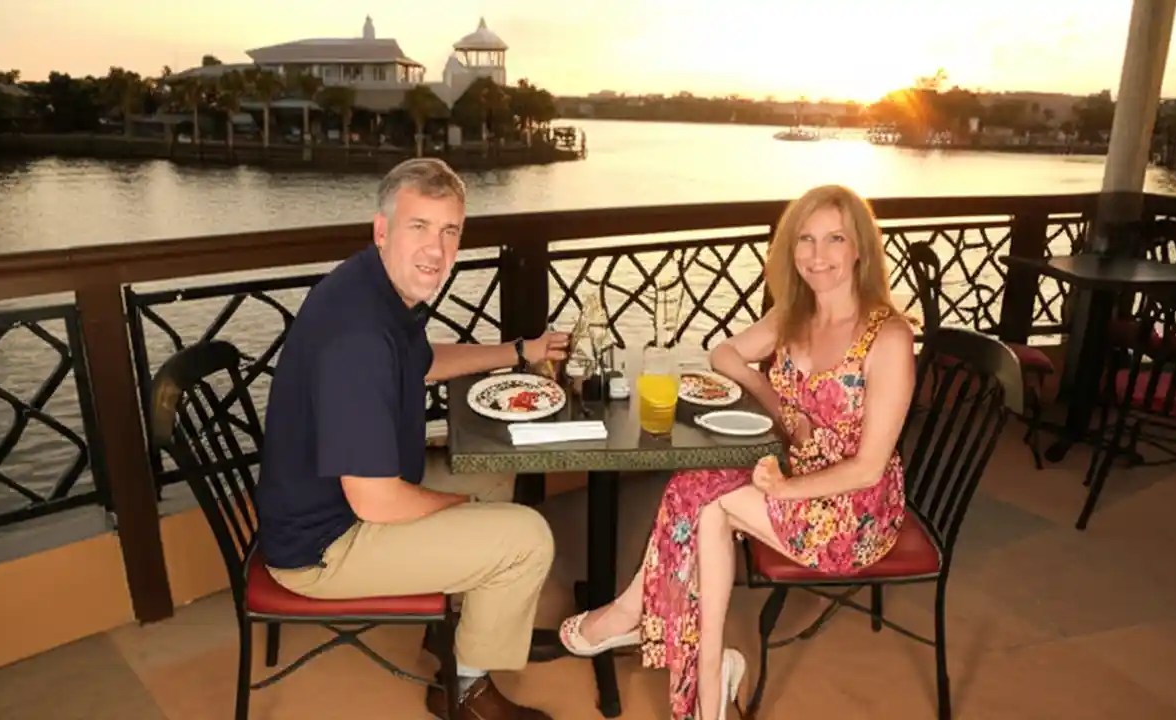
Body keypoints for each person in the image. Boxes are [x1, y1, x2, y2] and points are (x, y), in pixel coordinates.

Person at [557, 185, 915, 719]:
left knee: (704, 504)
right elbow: (722, 354)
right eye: (806, 240)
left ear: (859, 247)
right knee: (695, 489)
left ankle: (640, 620)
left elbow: (866, 470)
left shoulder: (887, 338)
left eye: (834, 239)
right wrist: (778, 404)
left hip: (853, 513)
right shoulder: (794, 315)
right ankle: (706, 683)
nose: (818, 256)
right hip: (790, 471)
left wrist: (789, 486)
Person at [256, 158, 570, 720]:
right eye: (418, 227)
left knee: (496, 469)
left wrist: (523, 350)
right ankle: (467, 693)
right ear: (383, 230)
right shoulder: (358, 336)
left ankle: (466, 630)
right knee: (527, 537)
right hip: (323, 547)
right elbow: (376, 501)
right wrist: (457, 506)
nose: (437, 249)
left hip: (338, 504)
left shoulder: (373, 287)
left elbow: (425, 362)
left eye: (450, 231)